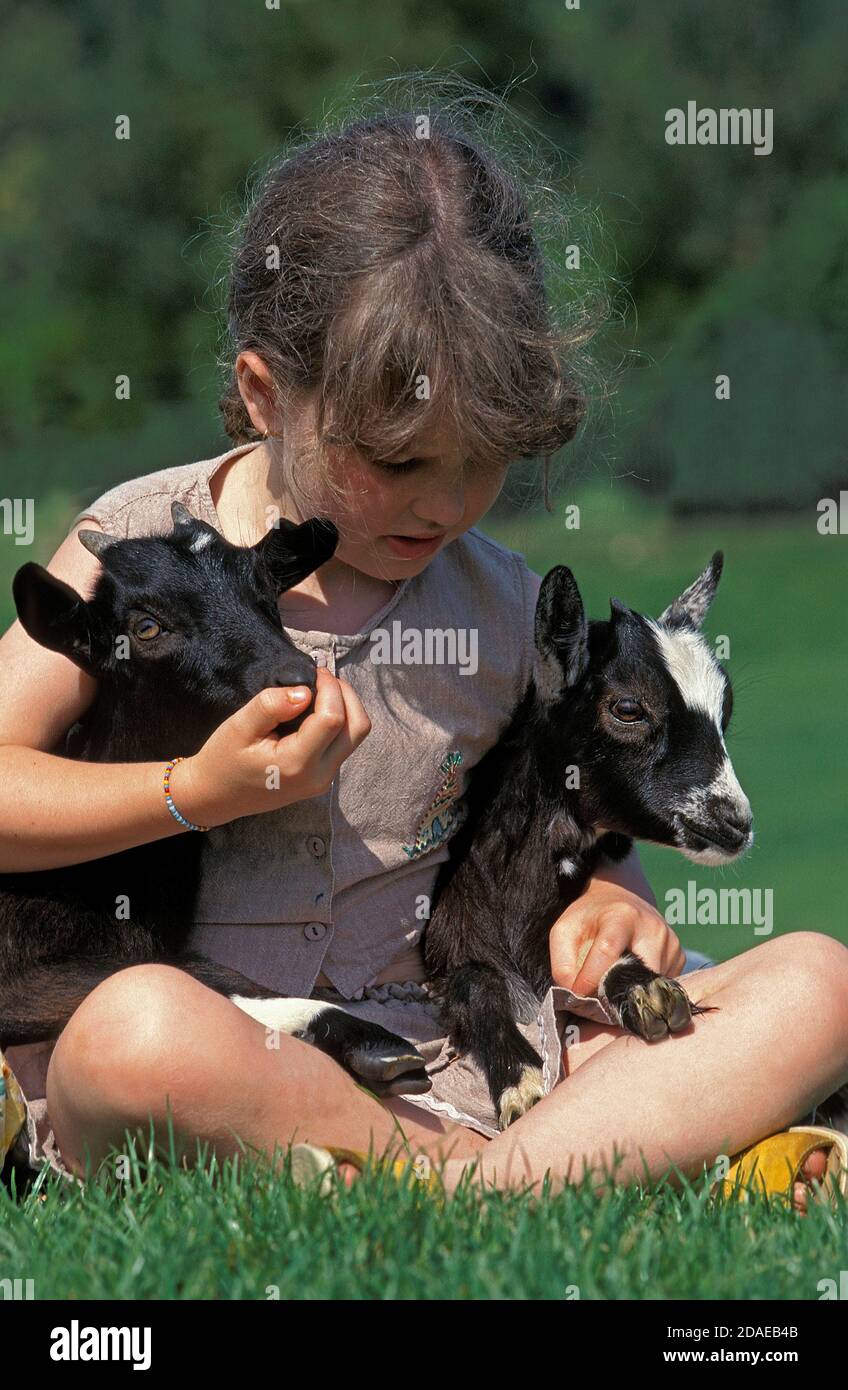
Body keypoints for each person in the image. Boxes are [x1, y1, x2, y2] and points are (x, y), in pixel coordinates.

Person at [2, 94, 847, 1211]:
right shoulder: (135, 551)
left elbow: (578, 829)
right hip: (233, 1050)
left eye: (484, 459)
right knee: (129, 1040)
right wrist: (188, 792)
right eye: (397, 463)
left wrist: (606, 911)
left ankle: (469, 1181)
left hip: (462, 1053)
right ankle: (543, 1177)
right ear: (266, 394)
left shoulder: (500, 605)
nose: (447, 504)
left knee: (819, 981)